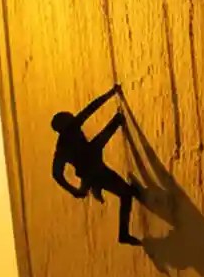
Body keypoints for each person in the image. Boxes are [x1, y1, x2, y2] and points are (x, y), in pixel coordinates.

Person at [51, 84, 142, 245]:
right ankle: (123, 234)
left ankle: (98, 188)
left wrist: (73, 189)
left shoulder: (63, 143)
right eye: (69, 117)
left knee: (100, 142)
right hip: (94, 172)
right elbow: (91, 108)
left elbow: (57, 174)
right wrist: (111, 93)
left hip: (92, 166)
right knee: (126, 194)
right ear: (65, 124)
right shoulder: (69, 134)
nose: (73, 117)